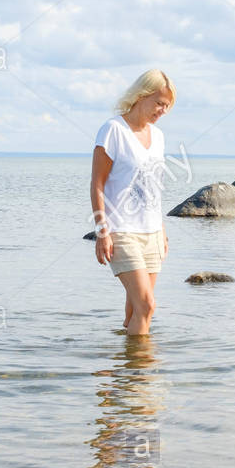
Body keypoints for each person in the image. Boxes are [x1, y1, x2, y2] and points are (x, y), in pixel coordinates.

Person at [90, 68, 175, 335]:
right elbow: (97, 184)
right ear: (141, 95)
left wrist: (161, 230)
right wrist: (103, 232)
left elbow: (153, 188)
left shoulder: (158, 137)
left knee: (135, 311)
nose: (162, 110)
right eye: (159, 103)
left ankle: (128, 373)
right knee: (147, 306)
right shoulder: (113, 130)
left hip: (152, 233)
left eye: (167, 106)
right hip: (122, 231)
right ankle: (142, 371)